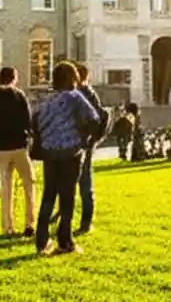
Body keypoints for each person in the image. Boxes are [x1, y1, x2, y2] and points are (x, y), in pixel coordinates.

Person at [33, 62, 100, 255]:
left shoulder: (47, 103)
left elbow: (35, 122)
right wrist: (83, 137)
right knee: (67, 198)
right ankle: (65, 241)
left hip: (49, 153)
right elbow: (94, 118)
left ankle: (42, 240)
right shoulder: (75, 97)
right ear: (73, 78)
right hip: (70, 152)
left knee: (48, 196)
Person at [0, 66, 36, 237]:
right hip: (18, 145)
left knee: (6, 186)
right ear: (14, 78)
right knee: (28, 183)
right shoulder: (18, 96)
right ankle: (29, 222)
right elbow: (28, 120)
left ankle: (7, 226)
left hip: (0, 147)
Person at [73, 62, 108, 235]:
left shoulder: (83, 95)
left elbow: (97, 119)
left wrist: (91, 139)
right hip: (84, 143)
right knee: (81, 181)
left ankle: (85, 222)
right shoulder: (89, 94)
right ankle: (79, 220)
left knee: (84, 182)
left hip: (81, 144)